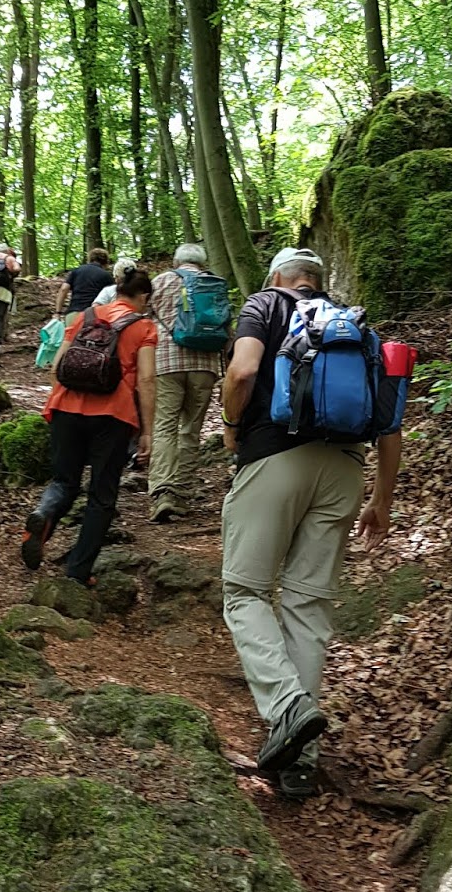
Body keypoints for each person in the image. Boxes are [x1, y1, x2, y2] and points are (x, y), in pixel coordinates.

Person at [219, 247, 402, 800]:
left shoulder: (264, 305)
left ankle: (287, 707)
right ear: (321, 281)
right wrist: (382, 501)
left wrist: (230, 423)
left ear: (278, 277)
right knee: (307, 602)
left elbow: (244, 369)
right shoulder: (357, 328)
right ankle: (302, 758)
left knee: (245, 590)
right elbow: (390, 424)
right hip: (345, 470)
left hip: (275, 461)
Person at [21, 268, 157, 585]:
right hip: (113, 416)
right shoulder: (144, 327)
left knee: (64, 481)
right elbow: (148, 381)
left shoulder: (85, 315)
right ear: (143, 297)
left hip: (66, 408)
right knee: (101, 496)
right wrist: (147, 431)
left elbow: (58, 366)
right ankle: (78, 572)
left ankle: (42, 515)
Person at [147, 243, 224, 523]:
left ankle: (162, 491)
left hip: (167, 361)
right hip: (205, 365)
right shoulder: (213, 282)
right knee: (191, 429)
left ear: (176, 261)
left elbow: (144, 318)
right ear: (201, 263)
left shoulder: (162, 281)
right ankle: (181, 494)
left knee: (165, 426)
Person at [54, 248, 113, 326]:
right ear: (106, 261)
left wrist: (58, 312)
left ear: (90, 259)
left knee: (70, 337)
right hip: (94, 316)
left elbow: (64, 289)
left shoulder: (77, 271)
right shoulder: (106, 276)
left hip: (73, 314)